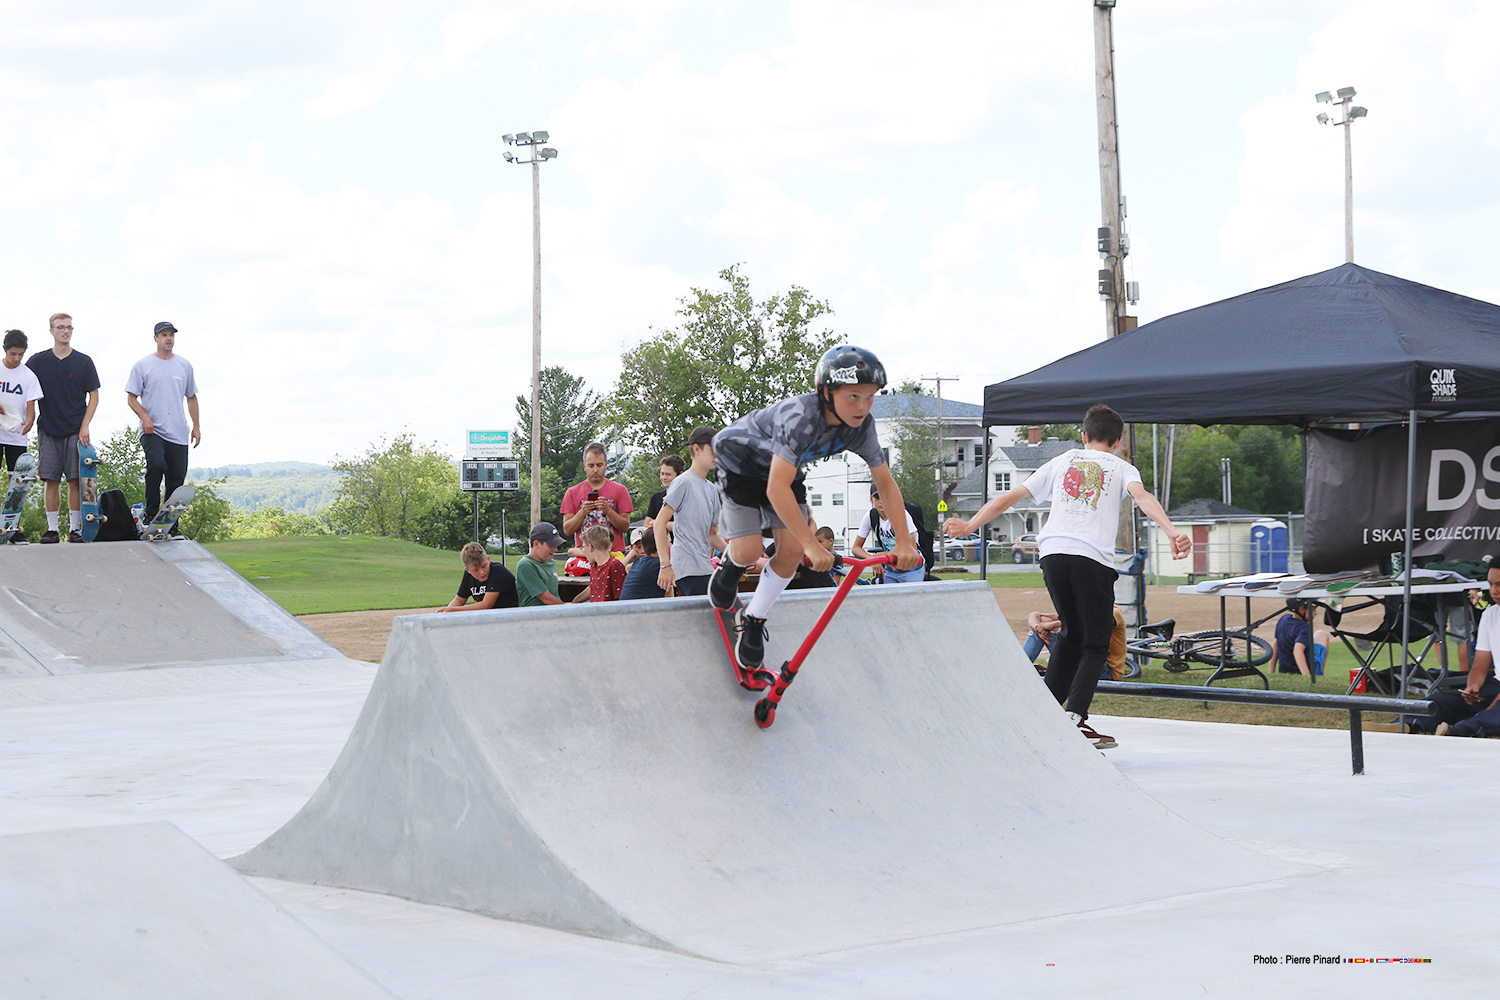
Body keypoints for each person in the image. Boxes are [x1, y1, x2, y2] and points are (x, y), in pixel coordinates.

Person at [945, 404, 1191, 749]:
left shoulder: (1062, 460)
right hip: (1091, 558)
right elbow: (1143, 497)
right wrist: (1171, 530)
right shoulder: (1123, 467)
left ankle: (1044, 715)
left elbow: (1009, 498)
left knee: (1072, 636)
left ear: (1084, 436)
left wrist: (969, 525)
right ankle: (1074, 718)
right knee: (1095, 641)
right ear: (1118, 442)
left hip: (1053, 554)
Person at [708, 345, 920, 674]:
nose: (862, 406)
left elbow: (886, 484)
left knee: (790, 553)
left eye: (870, 396)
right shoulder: (801, 418)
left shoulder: (862, 426)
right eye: (853, 397)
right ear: (826, 391)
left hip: (785, 469)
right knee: (750, 550)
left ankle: (753, 617)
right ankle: (731, 566)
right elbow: (774, 489)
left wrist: (905, 541)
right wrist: (811, 543)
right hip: (740, 463)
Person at [26, 313, 100, 543]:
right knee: (51, 480)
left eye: (69, 327)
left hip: (76, 430)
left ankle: (77, 529)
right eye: (61, 327)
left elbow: (94, 396)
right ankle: (52, 529)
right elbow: (23, 385)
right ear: (52, 331)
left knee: (77, 480)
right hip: (48, 428)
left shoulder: (83, 361)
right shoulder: (37, 361)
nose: (65, 331)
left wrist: (85, 425)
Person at [1406, 564, 1500, 735]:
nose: (1493, 591)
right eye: (1490, 584)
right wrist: (1472, 687)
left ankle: (1463, 730)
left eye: (1499, 584)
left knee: (1495, 711)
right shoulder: (1490, 615)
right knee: (1439, 701)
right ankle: (1405, 724)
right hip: (1496, 684)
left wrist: (1489, 709)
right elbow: (1479, 665)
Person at [125, 321, 201, 525]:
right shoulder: (143, 365)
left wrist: (196, 426)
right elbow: (131, 398)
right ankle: (150, 513)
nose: (169, 338)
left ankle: (170, 523)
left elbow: (191, 397)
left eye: (171, 335)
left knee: (176, 480)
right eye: (164, 335)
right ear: (156, 338)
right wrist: (145, 417)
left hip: (178, 430)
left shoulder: (184, 365)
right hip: (152, 430)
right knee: (157, 465)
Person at [655, 425, 725, 598]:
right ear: (696, 449)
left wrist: (735, 555)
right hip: (687, 567)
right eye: (713, 449)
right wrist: (665, 564)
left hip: (704, 566)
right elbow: (659, 523)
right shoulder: (682, 482)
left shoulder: (711, 489)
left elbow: (712, 535)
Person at [560, 442, 633, 552]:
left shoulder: (620, 490)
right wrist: (583, 512)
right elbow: (567, 530)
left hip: (613, 554)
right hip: (584, 554)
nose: (595, 470)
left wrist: (608, 510)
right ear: (584, 466)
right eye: (591, 465)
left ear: (606, 465)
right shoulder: (572, 492)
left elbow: (625, 527)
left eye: (599, 465)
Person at [1024, 608, 1130, 683]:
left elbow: (1092, 621)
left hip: (1106, 671)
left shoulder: (1114, 612)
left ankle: (1020, 665)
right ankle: (1021, 664)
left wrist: (1053, 625)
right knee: (1043, 622)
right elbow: (1034, 615)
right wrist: (1038, 627)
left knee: (1049, 625)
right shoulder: (1081, 610)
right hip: (1084, 663)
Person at [853, 481, 926, 584]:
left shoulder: (901, 514)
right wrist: (872, 560)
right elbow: (856, 548)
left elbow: (912, 548)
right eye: (877, 498)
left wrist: (880, 556)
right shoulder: (870, 516)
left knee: (910, 599)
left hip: (911, 566)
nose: (881, 501)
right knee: (886, 598)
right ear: (871, 499)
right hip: (891, 568)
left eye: (884, 496)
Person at [1, 330, 42, 478]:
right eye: (13, 354)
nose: (17, 358)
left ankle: (11, 502)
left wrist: (30, 420)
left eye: (21, 354)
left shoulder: (29, 376)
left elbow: (31, 406)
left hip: (17, 432)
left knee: (16, 478)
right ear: (4, 349)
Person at [439, 541, 518, 612]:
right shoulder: (469, 576)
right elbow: (459, 600)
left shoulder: (498, 571)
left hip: (508, 616)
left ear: (488, 559)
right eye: (476, 570)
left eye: (484, 566)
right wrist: (446, 612)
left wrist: (453, 610)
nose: (482, 572)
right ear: (468, 570)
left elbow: (486, 605)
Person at [1269, 599, 1329, 677]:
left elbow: (1275, 646)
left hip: (1285, 670)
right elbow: (1297, 650)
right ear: (1302, 610)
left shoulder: (1283, 619)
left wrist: (1270, 673)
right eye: (1313, 610)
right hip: (1305, 670)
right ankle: (1319, 674)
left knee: (1319, 634)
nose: (1316, 613)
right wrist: (1307, 677)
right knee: (1323, 634)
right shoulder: (1304, 627)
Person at [516, 523, 567, 607]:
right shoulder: (525, 565)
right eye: (551, 545)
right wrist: (568, 609)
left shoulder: (551, 562)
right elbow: (546, 598)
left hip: (553, 610)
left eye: (556, 545)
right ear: (536, 544)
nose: (555, 549)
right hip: (534, 614)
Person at [578, 525, 628, 603]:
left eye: (583, 548)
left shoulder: (615, 565)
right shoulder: (594, 565)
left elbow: (621, 596)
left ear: (590, 547)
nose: (583, 551)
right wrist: (575, 601)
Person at [620, 528, 667, 600]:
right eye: (638, 547)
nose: (643, 551)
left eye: (644, 546)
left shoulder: (639, 563)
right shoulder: (655, 564)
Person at [643, 453, 684, 528]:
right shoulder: (656, 498)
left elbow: (685, 527)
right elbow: (646, 524)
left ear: (680, 475)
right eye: (662, 474)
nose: (664, 477)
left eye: (668, 474)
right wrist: (670, 525)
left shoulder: (687, 498)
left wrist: (657, 523)